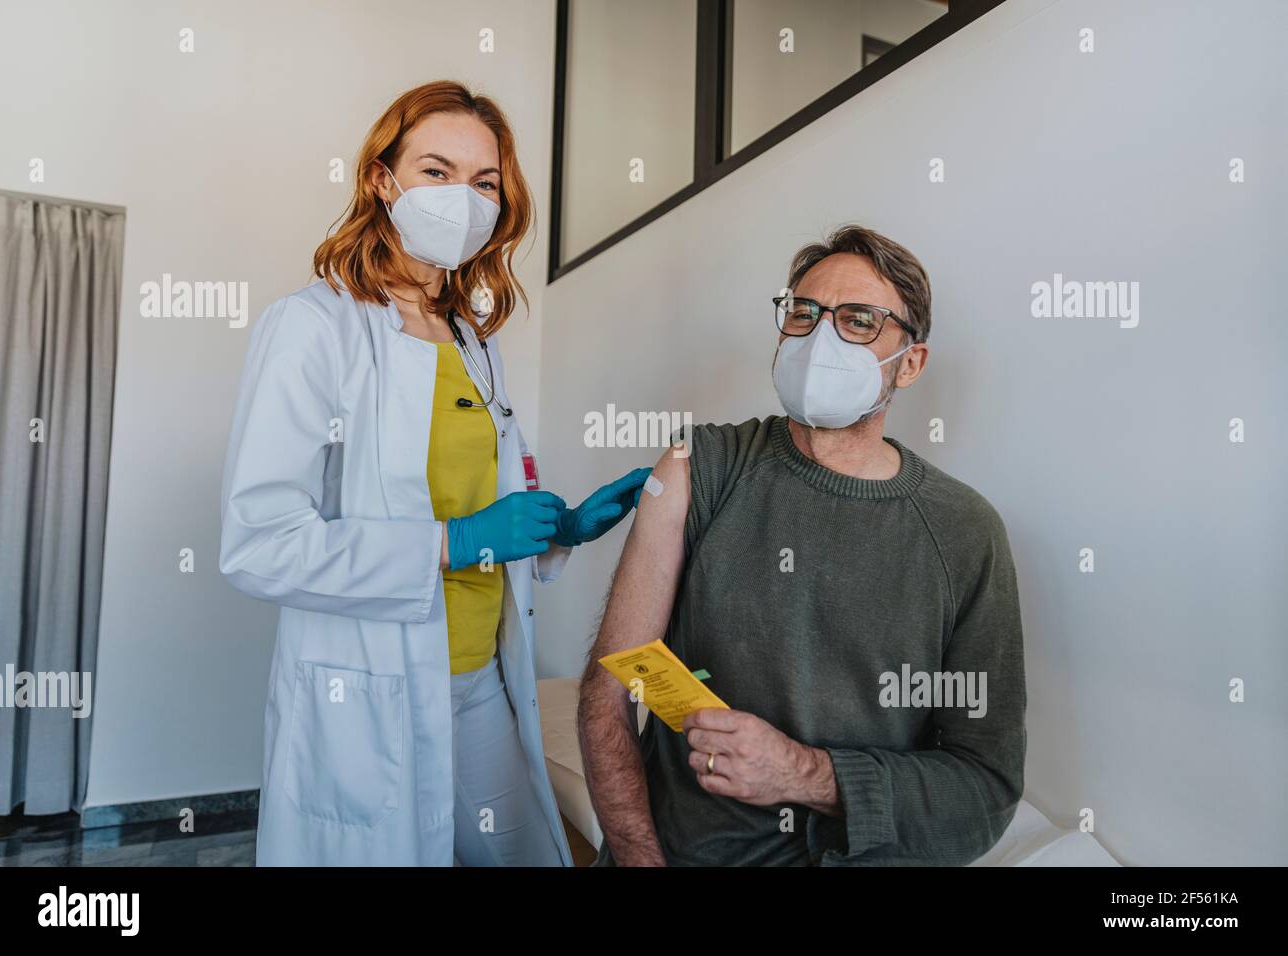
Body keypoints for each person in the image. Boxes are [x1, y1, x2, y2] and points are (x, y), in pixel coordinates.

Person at [220, 81, 647, 866]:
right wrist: (447, 545)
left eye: (484, 182)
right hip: (369, 687)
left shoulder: (473, 343)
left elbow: (487, 498)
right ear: (383, 181)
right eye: (437, 171)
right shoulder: (316, 327)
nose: (464, 199)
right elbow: (259, 543)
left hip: (481, 674)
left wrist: (561, 530)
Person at [579, 225, 1026, 866]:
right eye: (803, 313)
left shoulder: (965, 533)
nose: (821, 338)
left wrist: (804, 774)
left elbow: (984, 790)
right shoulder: (698, 466)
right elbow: (608, 692)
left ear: (912, 361)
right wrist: (638, 858)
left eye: (860, 321)